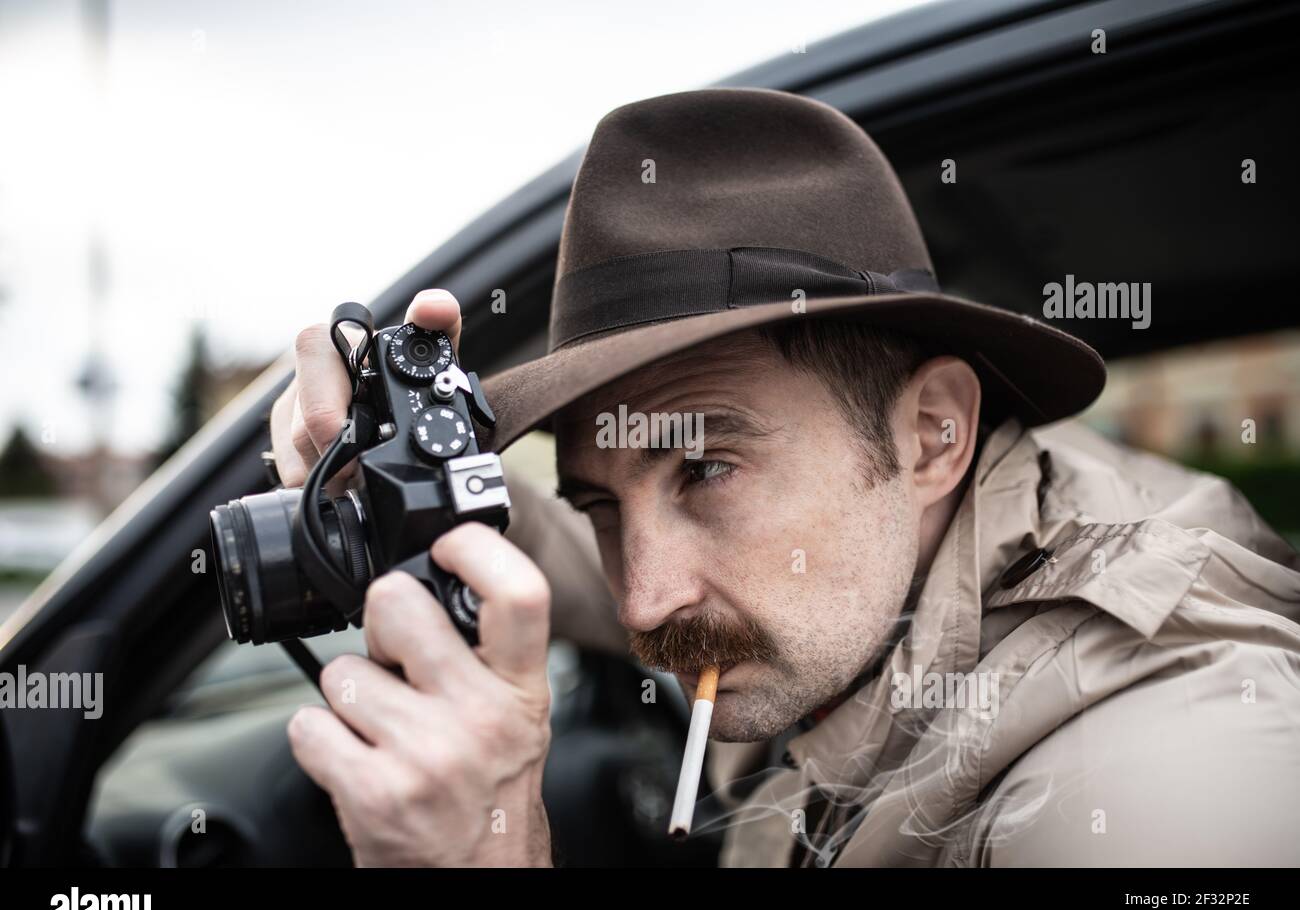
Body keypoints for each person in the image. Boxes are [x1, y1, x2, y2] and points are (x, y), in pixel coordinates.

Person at [276, 89, 1300, 867]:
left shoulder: (1145, 794)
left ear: (933, 435)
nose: (644, 598)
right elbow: (586, 580)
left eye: (707, 469)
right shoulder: (895, 538)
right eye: (600, 505)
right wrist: (397, 484)